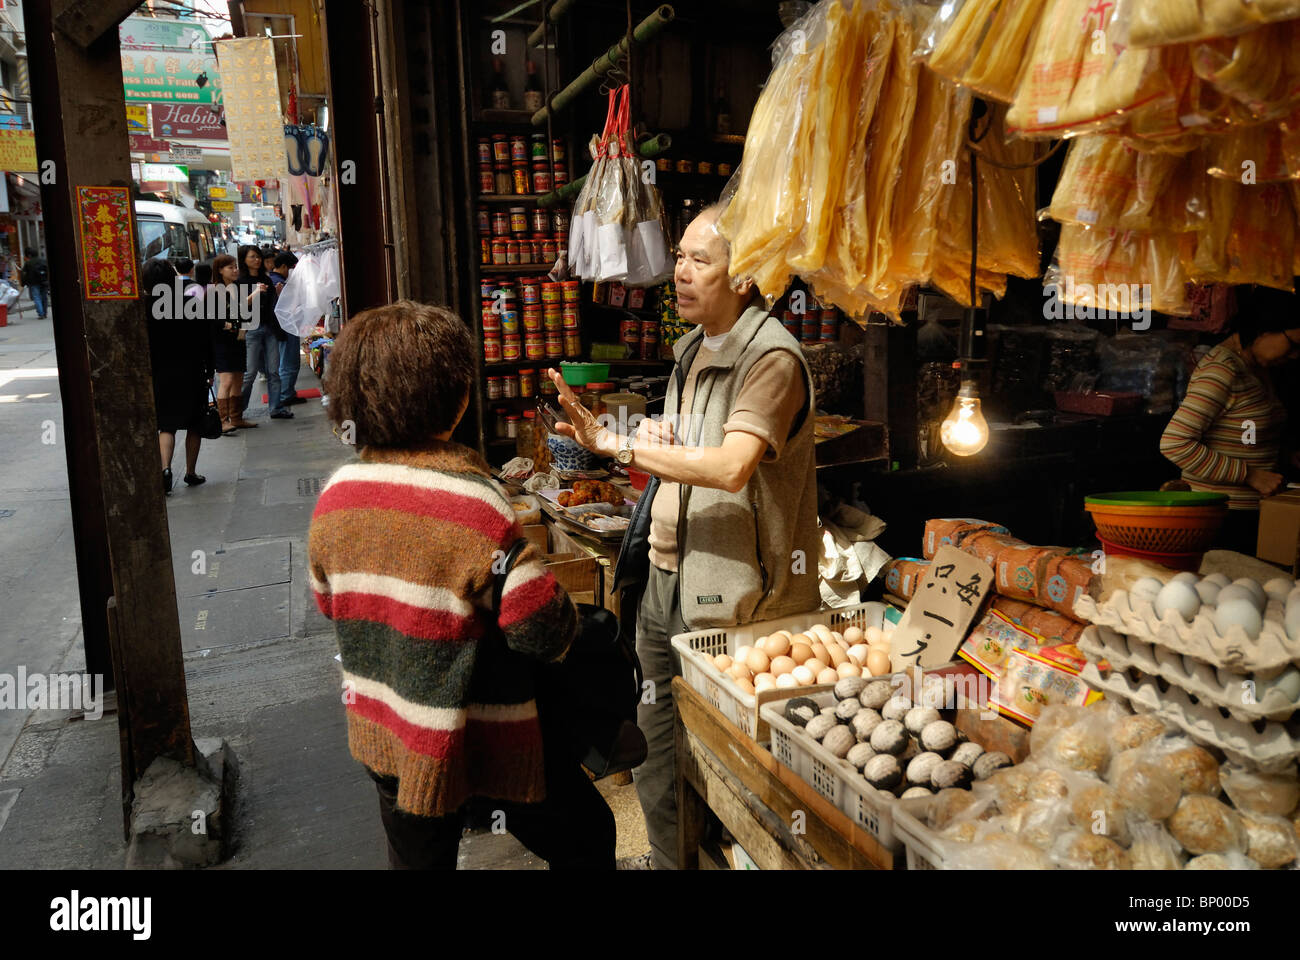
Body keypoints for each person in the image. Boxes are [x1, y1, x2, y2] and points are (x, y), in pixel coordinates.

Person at [546, 204, 820, 869]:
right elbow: (692, 450)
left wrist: (621, 446)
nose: (683, 274)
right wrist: (650, 440)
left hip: (732, 589)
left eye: (703, 261)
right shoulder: (693, 349)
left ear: (747, 276)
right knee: (658, 747)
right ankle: (675, 861)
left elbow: (730, 466)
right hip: (667, 576)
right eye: (679, 258)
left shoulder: (772, 358)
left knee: (733, 758)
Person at [308, 300, 616, 870]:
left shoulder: (336, 497)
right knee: (590, 836)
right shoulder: (476, 504)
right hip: (482, 742)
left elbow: (330, 602)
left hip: (388, 732)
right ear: (456, 399)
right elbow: (541, 634)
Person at [1161, 285, 1300, 554]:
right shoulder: (1221, 371)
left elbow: (1243, 432)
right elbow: (1175, 443)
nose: (1295, 356)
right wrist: (1250, 475)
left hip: (1248, 512)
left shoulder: (1256, 368)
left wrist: (1285, 454)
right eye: (1293, 344)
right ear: (1264, 328)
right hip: (1220, 516)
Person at [142, 259, 213, 492]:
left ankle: (165, 469)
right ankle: (191, 473)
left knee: (167, 425)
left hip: (160, 373)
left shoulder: (142, 307)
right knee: (194, 424)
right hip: (192, 370)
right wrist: (210, 369)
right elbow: (206, 339)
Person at [235, 245, 293, 420]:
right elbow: (240, 308)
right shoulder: (240, 282)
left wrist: (276, 294)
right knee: (250, 373)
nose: (257, 260)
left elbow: (272, 305)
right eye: (252, 257)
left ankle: (276, 407)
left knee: (273, 371)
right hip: (251, 329)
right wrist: (255, 293)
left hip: (269, 328)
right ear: (244, 259)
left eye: (258, 256)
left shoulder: (266, 280)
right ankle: (238, 411)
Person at [209, 253, 257, 435]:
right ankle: (222, 421)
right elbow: (214, 319)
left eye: (236, 267)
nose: (235, 270)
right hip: (222, 342)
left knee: (238, 379)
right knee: (227, 380)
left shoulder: (236, 289)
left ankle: (236, 417)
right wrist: (231, 324)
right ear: (220, 270)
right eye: (231, 267)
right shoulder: (215, 291)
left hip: (238, 339)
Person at [270, 252, 307, 405]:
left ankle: (286, 393)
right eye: (292, 268)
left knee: (285, 362)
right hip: (286, 327)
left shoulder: (273, 280)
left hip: (281, 328)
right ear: (284, 267)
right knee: (289, 362)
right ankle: (286, 395)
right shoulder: (279, 283)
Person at [21, 247, 49, 319]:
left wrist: (23, 283)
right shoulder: (43, 261)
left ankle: (41, 313)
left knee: (37, 297)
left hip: (33, 283)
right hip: (44, 282)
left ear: (30, 255)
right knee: (44, 297)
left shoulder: (28, 263)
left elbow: (24, 273)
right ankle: (45, 312)